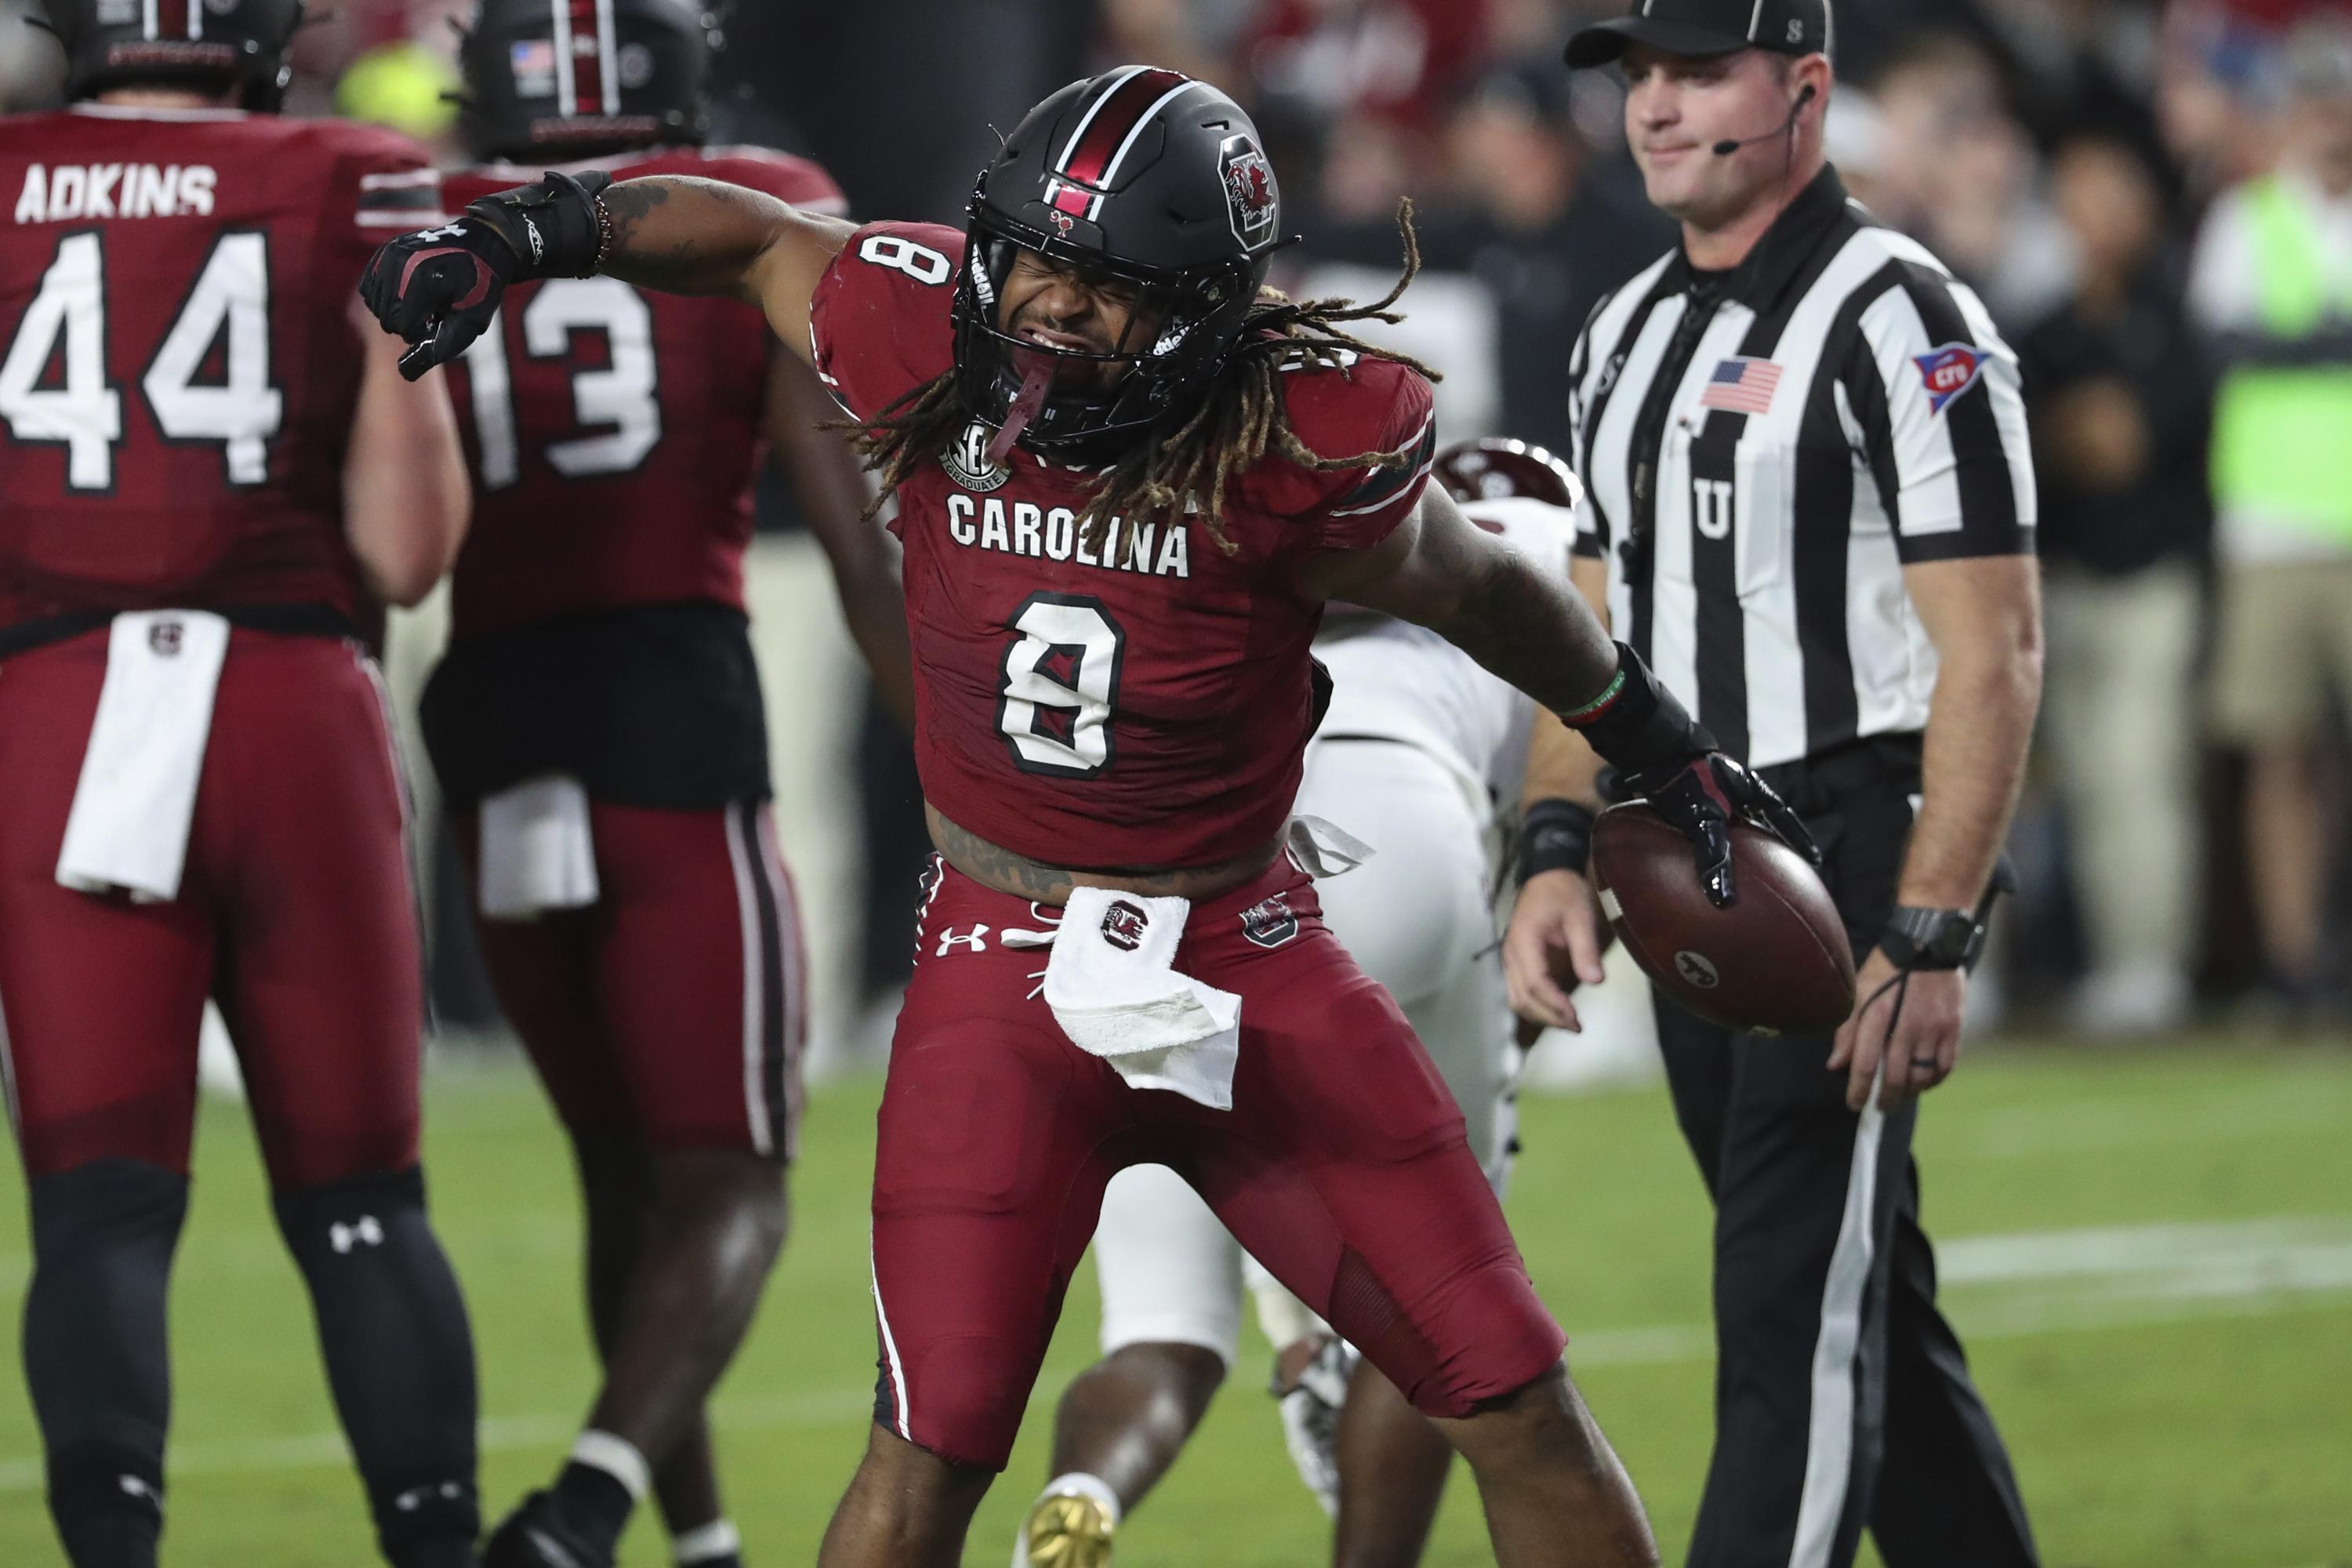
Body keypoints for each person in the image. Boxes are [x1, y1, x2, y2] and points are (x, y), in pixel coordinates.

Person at [361, 64, 1815, 1568]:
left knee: (1514, 1397)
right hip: (999, 964)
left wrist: (1652, 737)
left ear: (1207, 309)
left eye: (1107, 287)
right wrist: (522, 232)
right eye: (1034, 262)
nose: (1051, 307)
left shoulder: (1297, 431)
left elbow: (1490, 589)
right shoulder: (927, 325)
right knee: (925, 1453)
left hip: (1248, 956)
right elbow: (750, 237)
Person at [1517, 3, 2045, 1566]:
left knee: (1784, 1308)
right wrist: (1553, 840)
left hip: (1847, 842)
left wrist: (1932, 925)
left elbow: (1998, 647)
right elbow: (1590, 620)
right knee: (1854, 1297)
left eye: (1699, 73)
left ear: (1806, 88)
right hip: (1686, 846)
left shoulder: (1905, 316)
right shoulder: (1621, 330)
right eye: (1641, 77)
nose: (1658, 108)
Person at [414, 4, 913, 1566]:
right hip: (670, 715)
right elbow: (862, 546)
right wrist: (972, 771)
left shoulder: (424, 214)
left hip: (489, 711)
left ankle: (698, 1545)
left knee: (619, 1181)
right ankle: (585, 1511)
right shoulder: (761, 199)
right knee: (730, 1177)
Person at [0, 3, 482, 1566]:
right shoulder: (357, 170)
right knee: (364, 1209)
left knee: (97, 1210)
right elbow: (405, 553)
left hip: (58, 714)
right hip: (291, 714)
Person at [1007, 440, 1584, 1568]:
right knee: (1436, 1306)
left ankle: (1072, 1513)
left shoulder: (1275, 517)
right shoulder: (1551, 559)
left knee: (1162, 1331)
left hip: (1162, 887)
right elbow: (1562, 861)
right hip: (1396, 822)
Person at [2020, 134, 2213, 1035]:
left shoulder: (2174, 317)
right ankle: (2103, 965)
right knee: (2079, 784)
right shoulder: (2046, 329)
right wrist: (2077, 432)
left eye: (2110, 200)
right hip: (2062, 583)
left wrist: (2078, 431)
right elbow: (2036, 445)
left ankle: (2149, 964)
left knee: (2139, 774)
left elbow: (2126, 443)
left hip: (2153, 581)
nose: (2093, 221)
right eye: (2078, 201)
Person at [2187, 20, 2352, 1017]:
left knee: (2295, 758)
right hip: (2272, 526)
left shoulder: (2253, 226)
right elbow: (2220, 346)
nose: (2335, 120)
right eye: (2320, 101)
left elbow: (2253, 341)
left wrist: (2297, 343)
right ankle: (2295, 961)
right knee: (2277, 750)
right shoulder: (2249, 217)